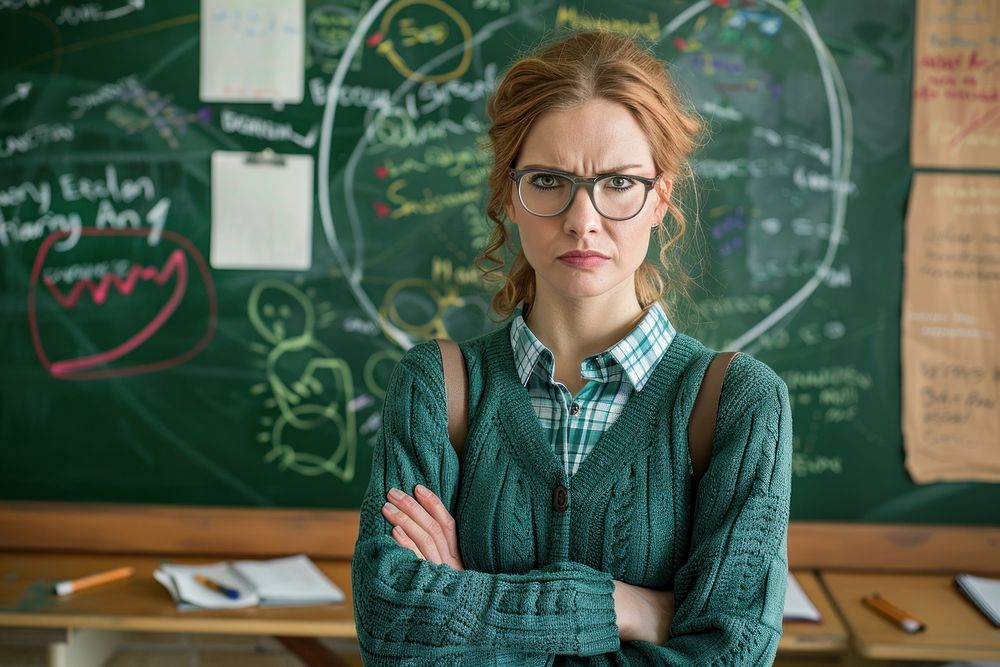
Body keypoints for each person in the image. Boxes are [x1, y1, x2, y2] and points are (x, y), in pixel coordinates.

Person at [352, 30, 792, 665]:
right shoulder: (436, 387)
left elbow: (729, 656)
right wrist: (629, 607)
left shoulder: (738, 406)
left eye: (619, 183)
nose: (583, 219)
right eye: (549, 179)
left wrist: (466, 603)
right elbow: (394, 635)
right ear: (509, 193)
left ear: (661, 197)